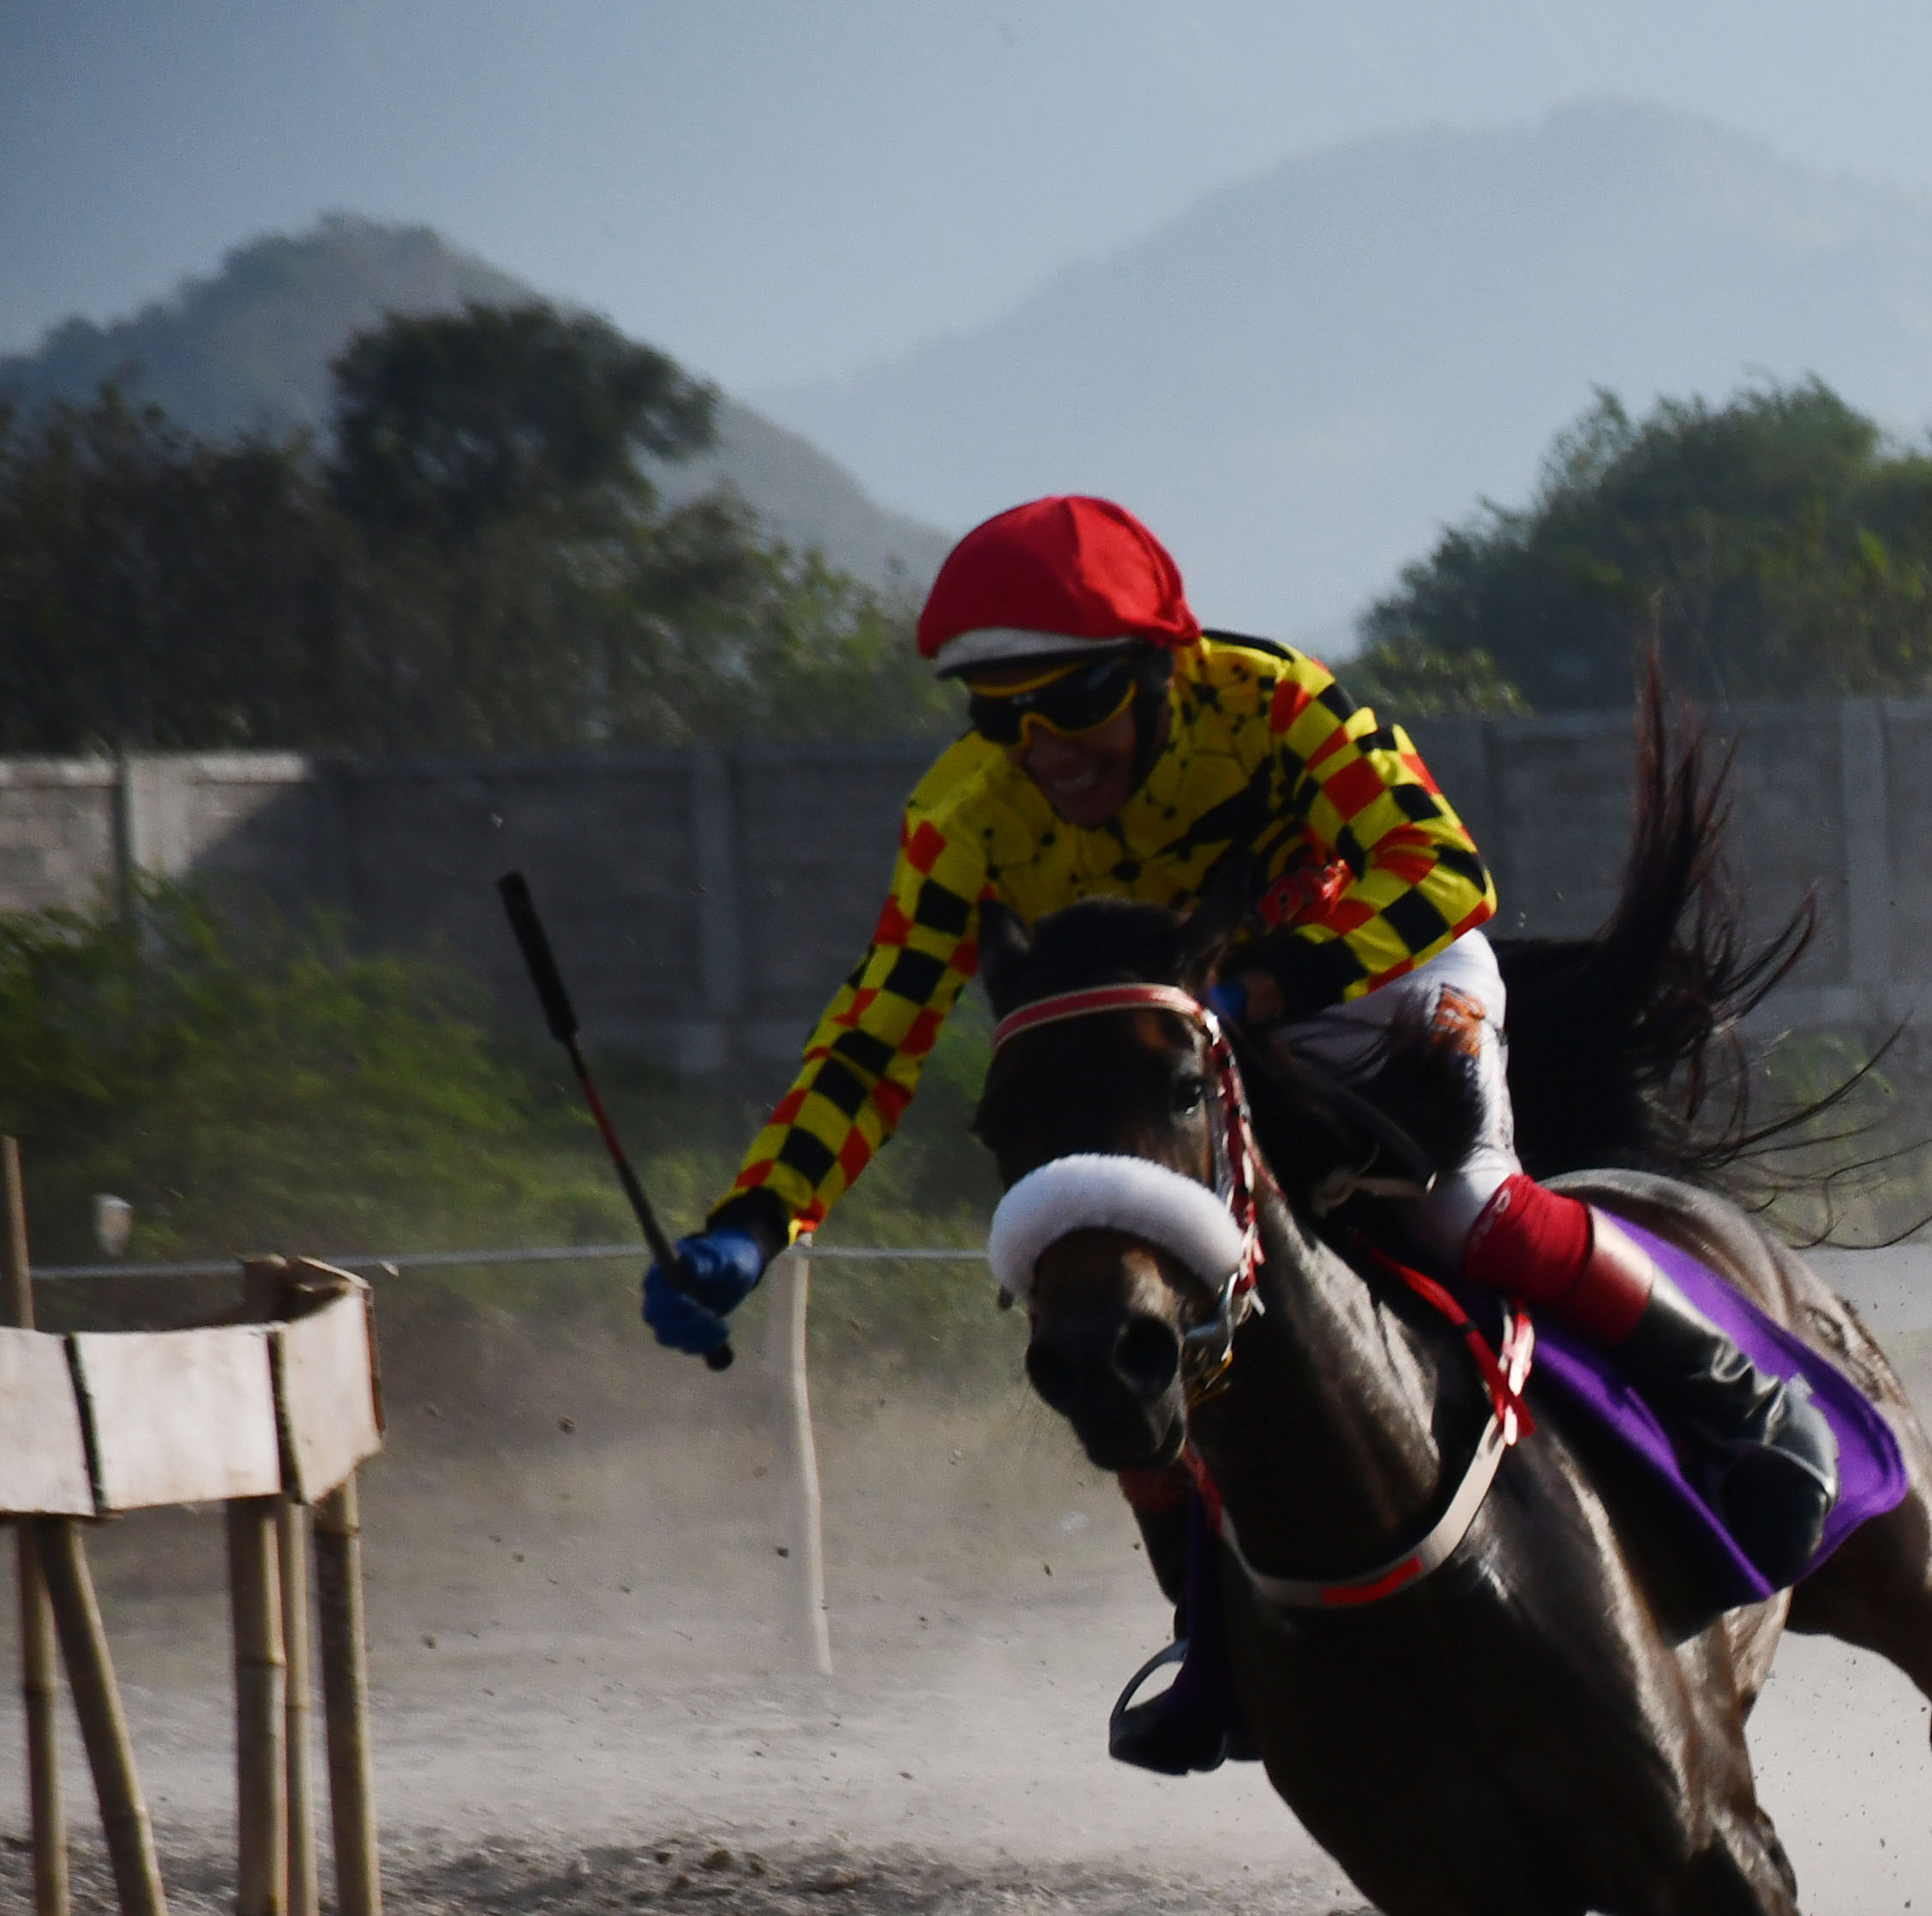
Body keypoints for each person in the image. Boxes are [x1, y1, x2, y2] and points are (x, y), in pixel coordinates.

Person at [639, 496, 1838, 1767]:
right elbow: (879, 1030)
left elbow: (1441, 876)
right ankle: (1214, 1641)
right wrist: (753, 1223)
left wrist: (1262, 988)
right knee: (1122, 1318)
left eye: (1074, 697)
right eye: (1001, 712)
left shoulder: (1274, 700)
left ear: (1161, 663)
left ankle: (1739, 1393)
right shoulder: (961, 817)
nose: (1041, 744)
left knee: (1464, 1210)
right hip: (1181, 1056)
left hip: (1377, 990)